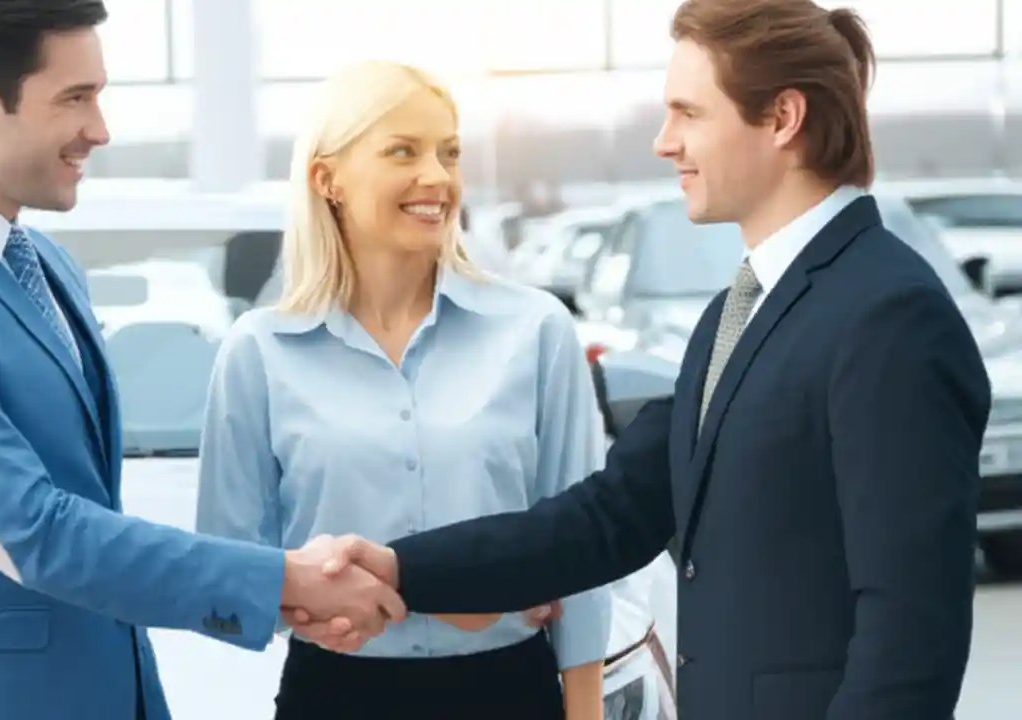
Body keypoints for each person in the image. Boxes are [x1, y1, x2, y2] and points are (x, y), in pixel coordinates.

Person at [294, 3, 992, 720]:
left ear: (783, 118)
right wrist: (403, 567)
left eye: (688, 113)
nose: (665, 143)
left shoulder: (889, 315)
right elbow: (606, 519)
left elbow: (910, 635)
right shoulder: (737, 313)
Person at [0, 3, 399, 719]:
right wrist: (286, 579)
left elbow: (86, 510)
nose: (101, 128)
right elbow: (30, 529)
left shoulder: (46, 262)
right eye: (75, 98)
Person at [194, 60, 613, 720]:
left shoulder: (536, 330)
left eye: (449, 153)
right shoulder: (259, 351)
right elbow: (225, 572)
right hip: (334, 696)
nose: (438, 177)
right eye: (403, 151)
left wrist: (584, 709)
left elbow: (584, 552)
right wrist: (319, 600)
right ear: (326, 179)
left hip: (510, 692)